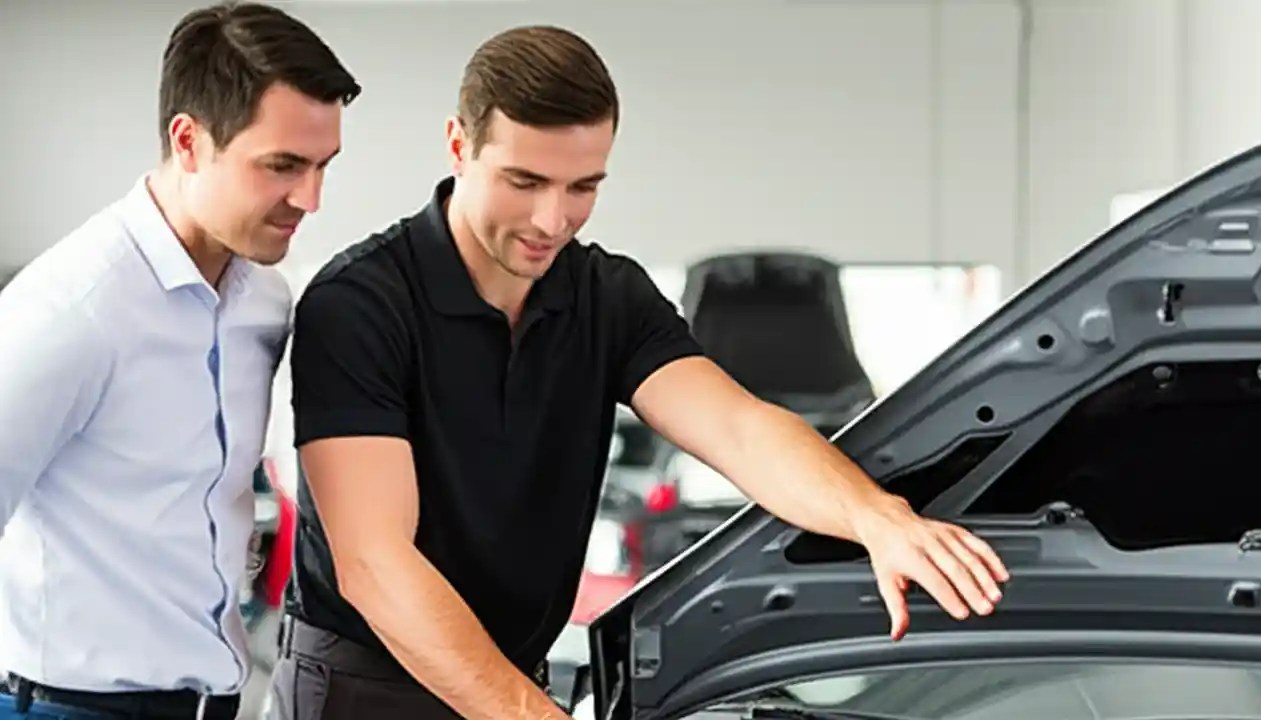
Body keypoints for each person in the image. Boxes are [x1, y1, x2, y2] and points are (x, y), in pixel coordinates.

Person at [270, 24, 1009, 720]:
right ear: (458, 146)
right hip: (364, 686)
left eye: (583, 187)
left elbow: (738, 427)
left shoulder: (606, 297)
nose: (552, 221)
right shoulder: (361, 302)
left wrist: (875, 518)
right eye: (524, 181)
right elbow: (374, 563)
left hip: (512, 675)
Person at [0, 2, 359, 718]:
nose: (310, 198)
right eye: (282, 166)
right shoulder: (72, 310)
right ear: (189, 141)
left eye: (323, 166)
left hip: (216, 701)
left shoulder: (265, 302)